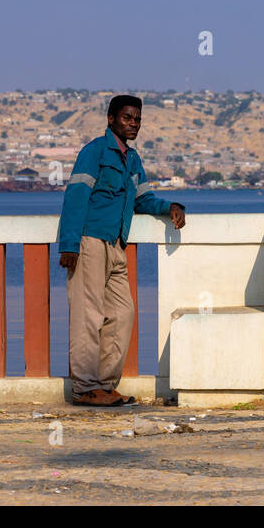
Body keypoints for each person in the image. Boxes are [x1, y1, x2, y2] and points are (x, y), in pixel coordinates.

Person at [56, 95, 185, 406]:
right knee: (88, 316)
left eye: (137, 119)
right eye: (127, 118)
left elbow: (143, 200)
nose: (134, 124)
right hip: (89, 242)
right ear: (111, 119)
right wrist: (70, 245)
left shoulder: (133, 159)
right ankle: (85, 389)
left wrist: (170, 207)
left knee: (122, 312)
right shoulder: (94, 152)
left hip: (116, 244)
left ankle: (105, 384)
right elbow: (75, 197)